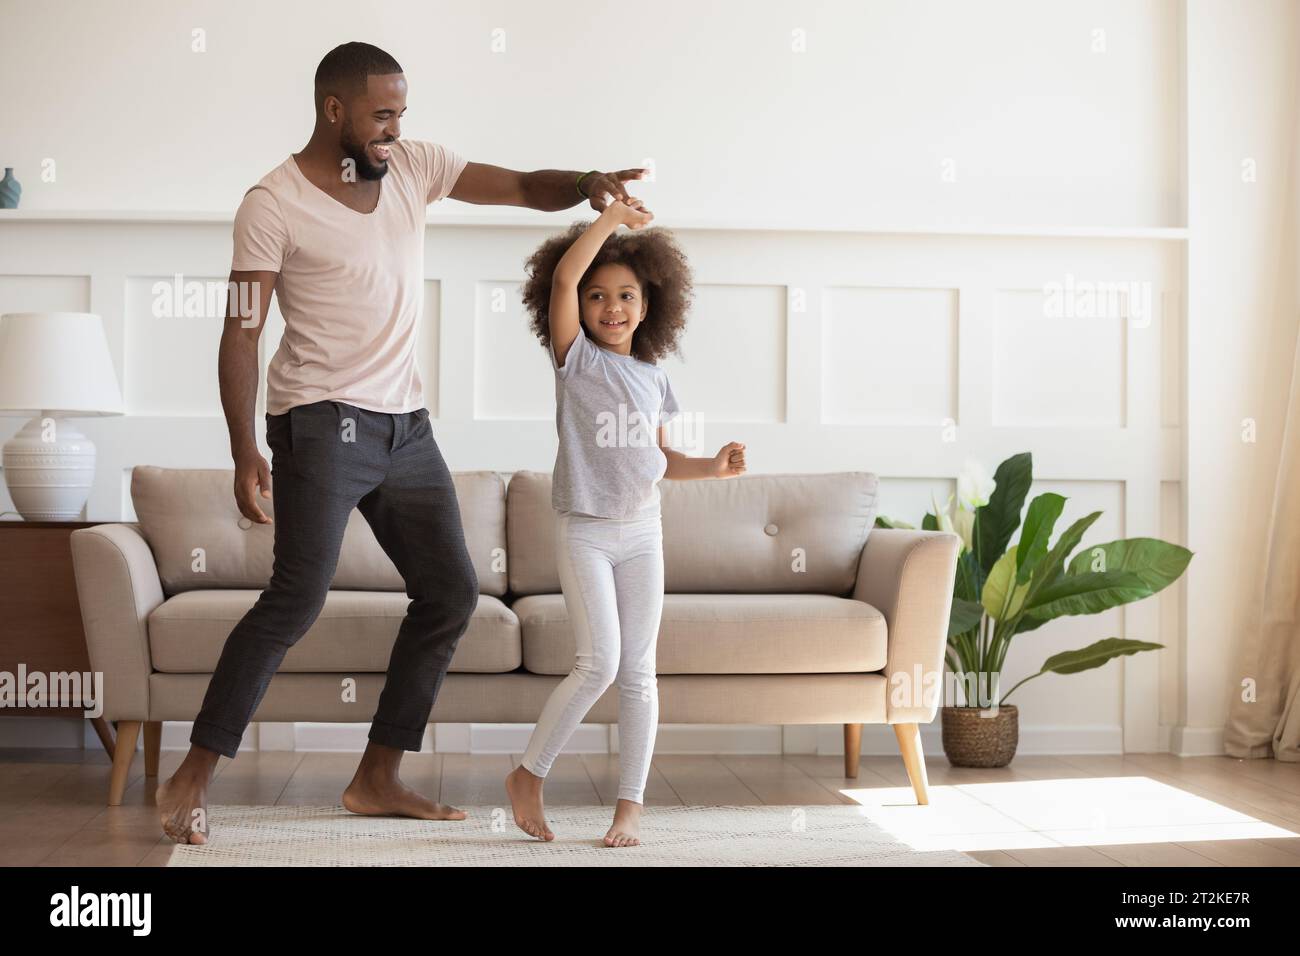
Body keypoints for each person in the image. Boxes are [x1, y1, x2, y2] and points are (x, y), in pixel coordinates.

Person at [157, 40, 649, 845]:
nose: (394, 130)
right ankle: (192, 774)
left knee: (451, 592)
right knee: (296, 597)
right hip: (319, 424)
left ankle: (376, 776)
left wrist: (587, 186)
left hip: (406, 428)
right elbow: (240, 334)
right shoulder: (272, 203)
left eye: (402, 114)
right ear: (333, 111)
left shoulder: (413, 166)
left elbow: (525, 186)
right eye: (382, 115)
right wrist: (246, 450)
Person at [504, 196, 748, 847]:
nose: (612, 308)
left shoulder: (653, 378)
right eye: (597, 297)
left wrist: (714, 468)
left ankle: (630, 806)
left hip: (644, 532)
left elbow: (661, 460)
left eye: (626, 295)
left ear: (648, 305)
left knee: (640, 672)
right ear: (579, 308)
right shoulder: (575, 360)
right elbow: (561, 276)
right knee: (600, 662)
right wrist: (612, 218)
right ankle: (529, 774)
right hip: (585, 528)